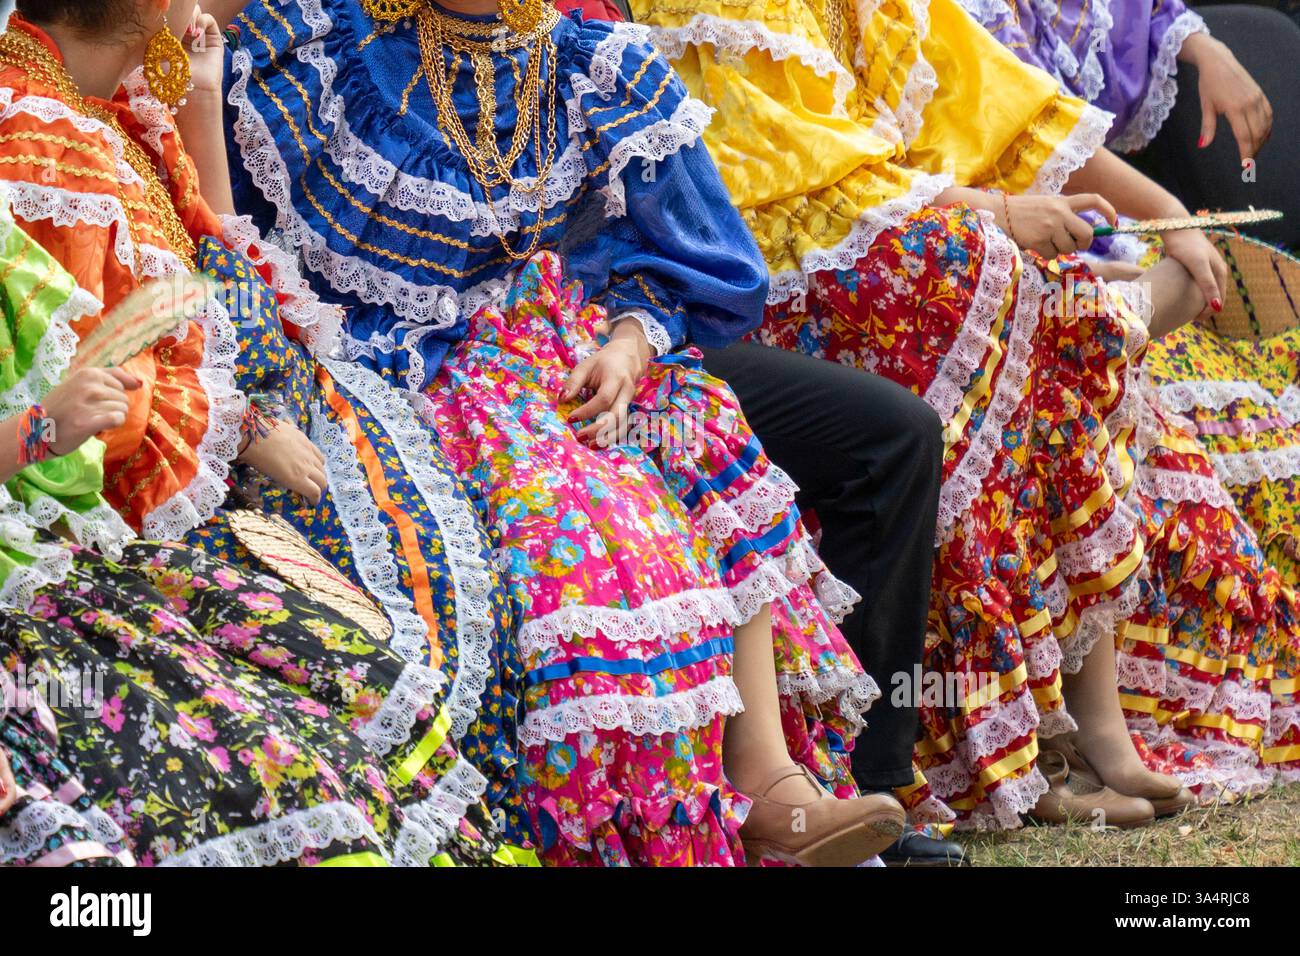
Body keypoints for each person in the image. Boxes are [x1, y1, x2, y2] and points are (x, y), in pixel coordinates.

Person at [214, 0, 913, 866]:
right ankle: (633, 822)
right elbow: (220, 235)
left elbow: (692, 262)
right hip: (399, 377)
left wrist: (627, 344)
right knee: (586, 534)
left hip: (564, 349)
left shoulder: (599, 64)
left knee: (697, 425)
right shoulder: (323, 51)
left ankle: (769, 778)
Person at [633, 0, 1300, 825]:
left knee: (1033, 305)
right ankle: (1012, 743)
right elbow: (804, 174)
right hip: (783, 271)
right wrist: (999, 214)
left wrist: (1171, 207)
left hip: (901, 237)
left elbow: (1014, 114)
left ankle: (1075, 722)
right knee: (994, 284)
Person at [0, 1, 535, 853]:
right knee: (338, 699)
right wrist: (245, 427)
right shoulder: (35, 138)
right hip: (131, 521)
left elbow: (211, 280)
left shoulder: (108, 109)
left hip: (237, 440)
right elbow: (94, 395)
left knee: (451, 612)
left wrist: (200, 107)